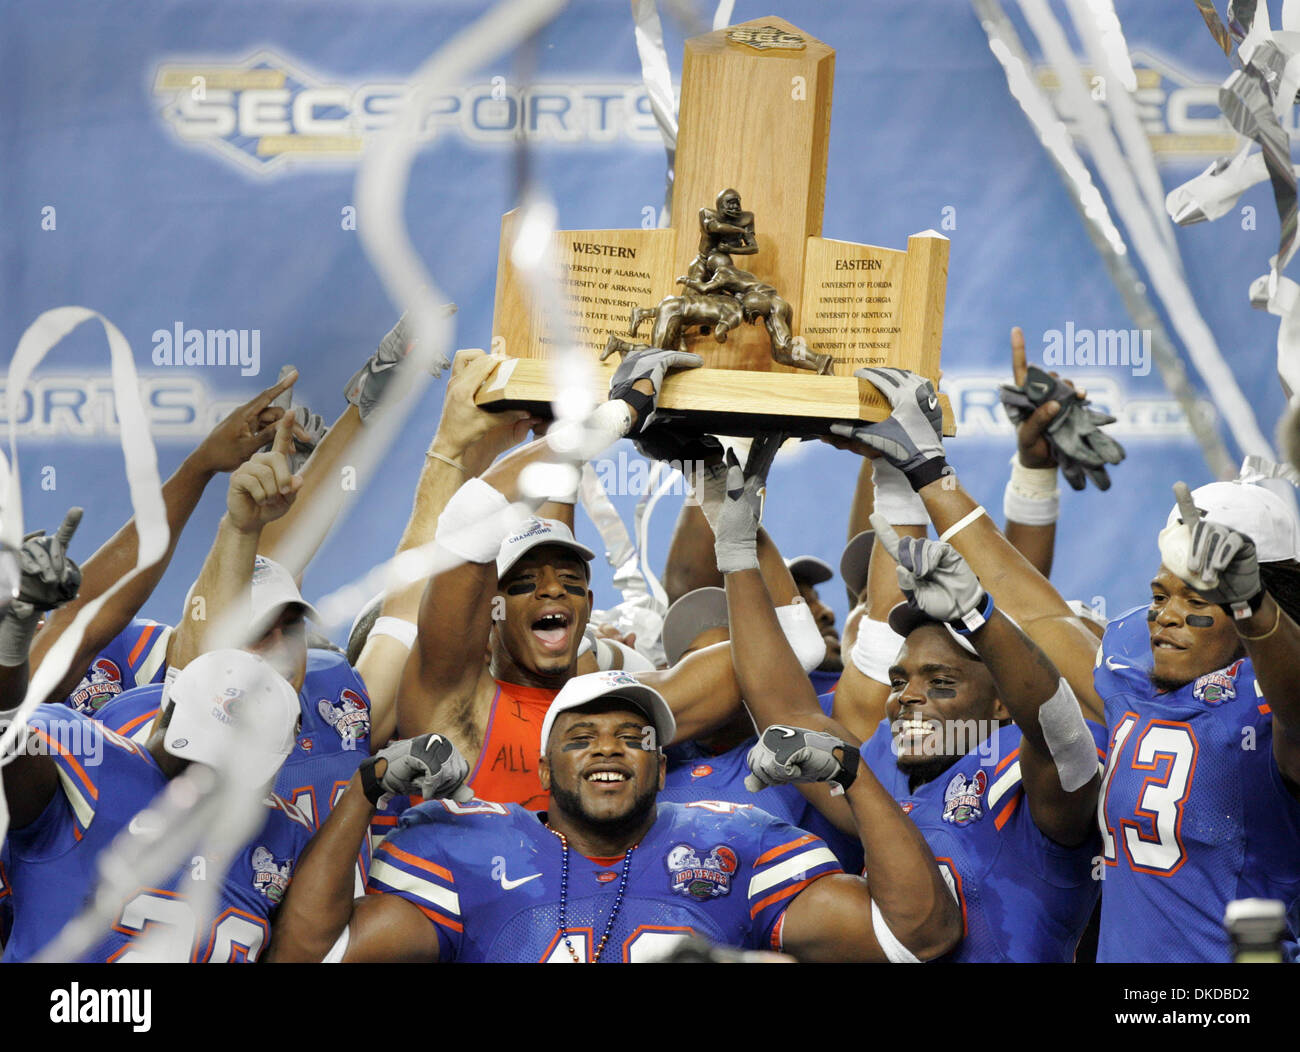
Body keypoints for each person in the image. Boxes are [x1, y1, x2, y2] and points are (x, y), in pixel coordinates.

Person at [264, 670, 961, 963]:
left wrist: (851, 772)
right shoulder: (469, 846)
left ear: (662, 765)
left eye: (634, 738)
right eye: (581, 737)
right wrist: (367, 789)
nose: (608, 748)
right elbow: (310, 953)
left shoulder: (731, 841)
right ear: (542, 773)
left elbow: (917, 935)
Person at [2, 530, 310, 962]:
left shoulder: (287, 835)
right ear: (165, 714)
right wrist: (11, 640)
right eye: (196, 756)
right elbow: (7, 737)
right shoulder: (86, 758)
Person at [1093, 479, 1300, 961]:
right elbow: (1037, 621)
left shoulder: (1272, 700)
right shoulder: (1130, 666)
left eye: (1198, 600)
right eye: (1160, 595)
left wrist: (1252, 607)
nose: (1166, 617)